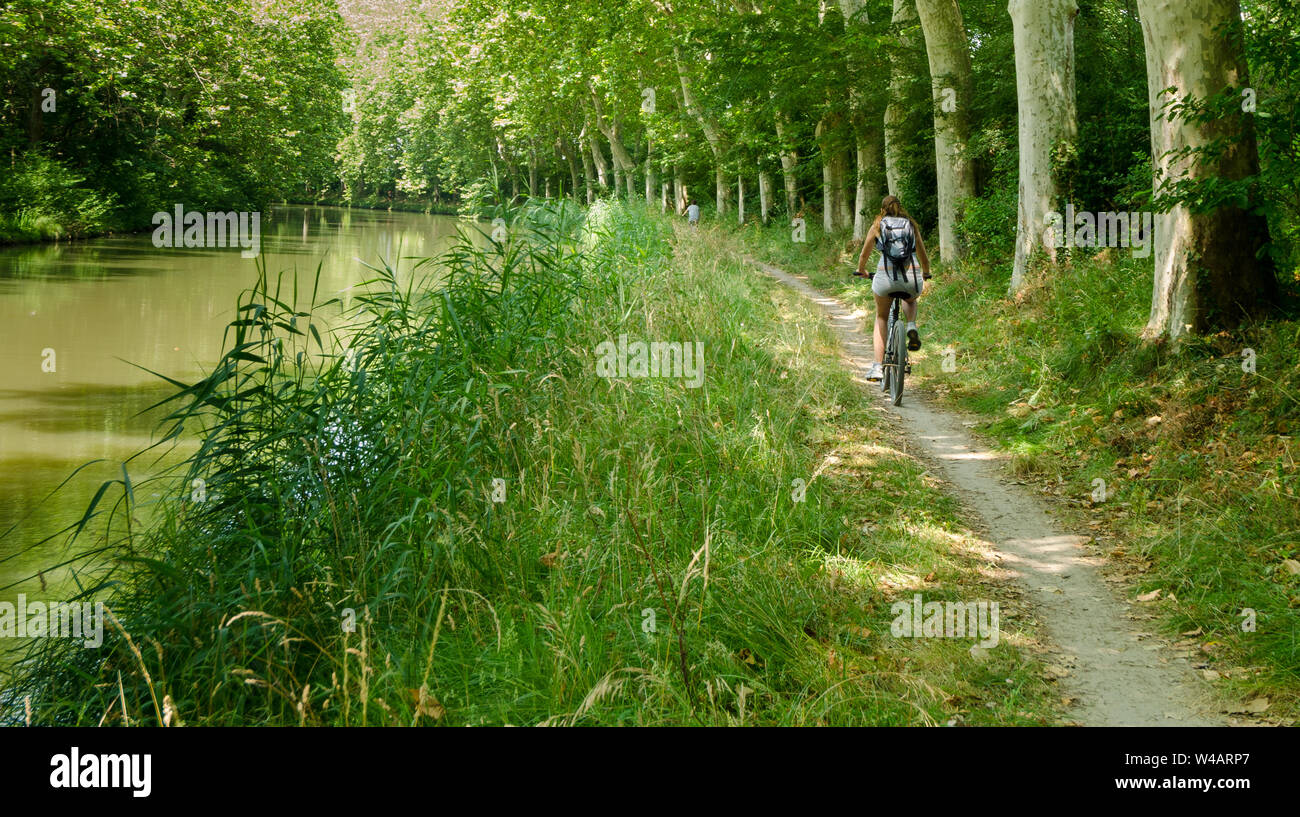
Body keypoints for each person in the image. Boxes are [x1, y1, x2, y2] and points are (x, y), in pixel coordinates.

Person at [854, 195, 931, 382]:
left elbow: (864, 254)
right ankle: (911, 325)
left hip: (885, 278)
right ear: (900, 207)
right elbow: (922, 253)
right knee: (910, 299)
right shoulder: (910, 225)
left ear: (883, 209)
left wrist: (861, 270)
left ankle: (877, 367)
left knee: (881, 316)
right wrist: (926, 272)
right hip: (911, 277)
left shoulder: (878, 225)